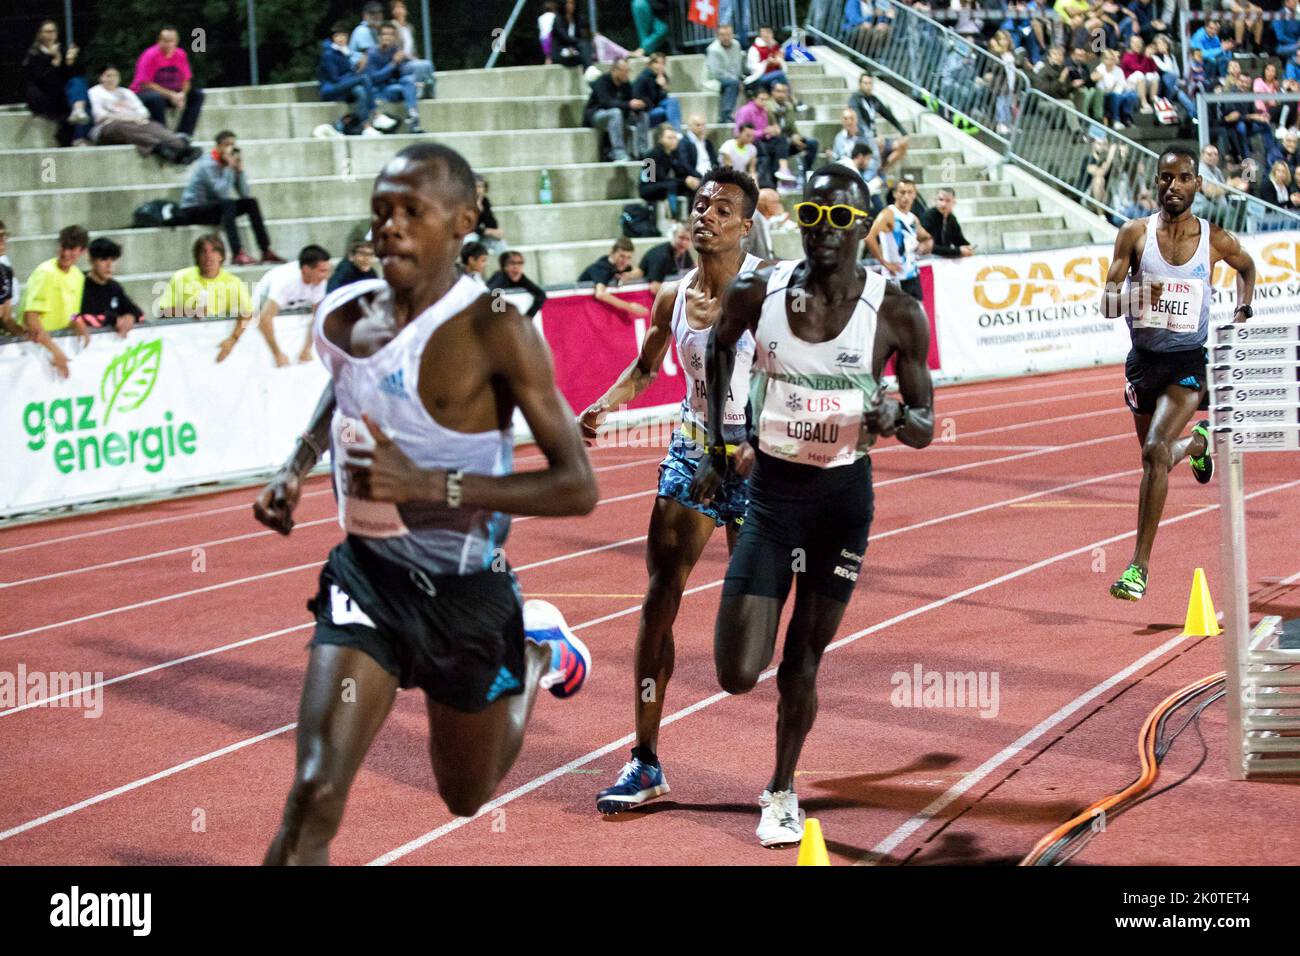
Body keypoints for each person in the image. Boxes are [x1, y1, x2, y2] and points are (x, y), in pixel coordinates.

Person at [255, 143, 597, 864]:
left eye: (414, 211)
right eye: (383, 212)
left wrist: (431, 486)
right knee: (314, 792)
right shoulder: (345, 313)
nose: (392, 227)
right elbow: (346, 385)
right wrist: (297, 464)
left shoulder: (497, 327)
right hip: (367, 580)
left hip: (466, 594)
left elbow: (577, 486)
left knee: (464, 796)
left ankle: (537, 656)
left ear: (465, 220)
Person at [688, 165, 934, 846]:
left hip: (841, 508)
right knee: (737, 672)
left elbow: (924, 424)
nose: (823, 231)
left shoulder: (895, 312)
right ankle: (779, 769)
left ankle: (781, 789)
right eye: (812, 216)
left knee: (802, 660)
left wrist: (894, 414)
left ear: (863, 225)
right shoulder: (758, 292)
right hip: (771, 499)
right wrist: (717, 446)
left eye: (840, 218)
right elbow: (715, 347)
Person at [580, 167, 765, 814]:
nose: (706, 213)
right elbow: (645, 368)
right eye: (699, 204)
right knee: (659, 598)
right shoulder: (670, 295)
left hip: (755, 452)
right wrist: (602, 407)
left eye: (722, 207)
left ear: (747, 224)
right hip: (692, 445)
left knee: (748, 637)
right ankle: (645, 760)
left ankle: (779, 778)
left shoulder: (768, 294)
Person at [1100, 146, 1256, 601]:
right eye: (1165, 178)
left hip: (1188, 363)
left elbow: (1246, 266)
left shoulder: (1214, 239)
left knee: (1153, 453)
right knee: (1159, 458)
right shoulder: (1133, 235)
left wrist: (1243, 308)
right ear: (1156, 182)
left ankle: (1138, 568)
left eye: (1183, 178)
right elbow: (1107, 305)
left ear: (1197, 184)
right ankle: (1200, 443)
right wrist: (1137, 297)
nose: (1173, 186)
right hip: (1142, 363)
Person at [177, 131, 285, 266]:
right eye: (227, 145)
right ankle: (237, 253)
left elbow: (245, 193)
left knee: (250, 203)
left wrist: (239, 171)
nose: (231, 148)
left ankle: (265, 250)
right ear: (218, 146)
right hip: (193, 209)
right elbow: (221, 193)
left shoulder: (229, 165)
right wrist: (229, 167)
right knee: (228, 204)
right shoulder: (207, 164)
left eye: (233, 145)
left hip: (215, 208)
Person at [218, 245, 332, 366]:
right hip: (261, 307)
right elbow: (263, 319)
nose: (326, 276)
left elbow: (319, 317)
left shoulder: (320, 281)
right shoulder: (285, 280)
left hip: (289, 308)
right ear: (306, 269)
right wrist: (277, 353)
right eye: (322, 271)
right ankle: (232, 340)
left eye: (327, 270)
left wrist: (307, 349)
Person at [87, 65, 199, 163]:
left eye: (115, 76)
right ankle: (159, 147)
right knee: (123, 128)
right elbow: (99, 115)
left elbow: (143, 112)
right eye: (108, 76)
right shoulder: (95, 92)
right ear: (101, 77)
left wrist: (135, 118)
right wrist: (128, 118)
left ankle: (182, 148)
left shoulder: (126, 92)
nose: (112, 79)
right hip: (108, 126)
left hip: (136, 122)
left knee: (155, 126)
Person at [19, 225, 89, 379]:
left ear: (82, 251)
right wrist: (55, 351)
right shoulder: (45, 273)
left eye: (72, 249)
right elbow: (31, 319)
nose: (65, 253)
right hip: (34, 350)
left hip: (54, 347)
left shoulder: (78, 276)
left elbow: (72, 314)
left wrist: (78, 323)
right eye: (63, 246)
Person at [22, 19, 90, 147]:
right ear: (40, 34)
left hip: (60, 92)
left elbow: (70, 76)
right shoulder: (34, 55)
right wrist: (54, 61)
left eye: (53, 31)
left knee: (79, 83)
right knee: (75, 106)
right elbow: (44, 80)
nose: (50, 35)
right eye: (47, 32)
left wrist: (70, 61)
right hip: (44, 96)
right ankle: (78, 137)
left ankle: (78, 114)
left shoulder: (60, 50)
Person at [157, 233, 254, 322]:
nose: (209, 256)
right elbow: (163, 311)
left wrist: (233, 337)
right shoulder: (180, 277)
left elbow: (248, 313)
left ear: (221, 256)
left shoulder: (233, 282)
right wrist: (191, 312)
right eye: (203, 251)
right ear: (197, 256)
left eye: (214, 251)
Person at [130, 25, 204, 138]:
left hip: (172, 94)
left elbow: (187, 80)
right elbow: (145, 83)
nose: (168, 44)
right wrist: (171, 95)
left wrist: (182, 95)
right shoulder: (149, 55)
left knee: (197, 95)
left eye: (171, 41)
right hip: (144, 93)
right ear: (159, 41)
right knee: (155, 98)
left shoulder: (180, 54)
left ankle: (184, 133)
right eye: (165, 41)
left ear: (176, 41)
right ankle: (163, 134)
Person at [318, 22, 390, 137]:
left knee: (360, 91)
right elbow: (335, 78)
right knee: (363, 78)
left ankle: (366, 127)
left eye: (344, 36)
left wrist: (357, 68)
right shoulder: (328, 54)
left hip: (343, 88)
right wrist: (354, 75)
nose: (341, 39)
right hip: (330, 89)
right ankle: (376, 114)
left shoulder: (345, 52)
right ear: (333, 38)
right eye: (338, 36)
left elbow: (348, 75)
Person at [865, 177, 932, 300]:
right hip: (895, 279)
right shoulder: (888, 213)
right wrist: (885, 263)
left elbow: (926, 237)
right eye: (902, 192)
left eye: (910, 192)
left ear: (915, 195)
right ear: (895, 194)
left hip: (912, 276)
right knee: (897, 318)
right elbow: (869, 237)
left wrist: (927, 244)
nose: (906, 196)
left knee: (917, 316)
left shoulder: (912, 218)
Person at [351, 1, 436, 98]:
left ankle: (427, 93)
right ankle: (417, 93)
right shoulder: (363, 30)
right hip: (366, 72)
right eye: (373, 13)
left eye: (379, 13)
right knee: (421, 65)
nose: (377, 16)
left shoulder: (376, 30)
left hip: (388, 66)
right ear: (365, 15)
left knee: (426, 65)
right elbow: (368, 55)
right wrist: (395, 60)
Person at [362, 21, 425, 134]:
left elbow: (401, 74)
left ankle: (412, 114)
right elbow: (374, 78)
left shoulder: (394, 50)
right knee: (403, 87)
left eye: (391, 35)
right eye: (385, 34)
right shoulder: (372, 53)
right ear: (379, 37)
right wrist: (393, 63)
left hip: (397, 85)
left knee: (409, 79)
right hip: (382, 90)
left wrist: (403, 61)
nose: (388, 37)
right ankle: (413, 117)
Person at [77, 237, 143, 337]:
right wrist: (114, 320)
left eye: (113, 259)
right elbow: (79, 317)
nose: (109, 265)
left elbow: (136, 311)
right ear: (91, 261)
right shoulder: (79, 283)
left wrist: (131, 316)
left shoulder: (114, 287)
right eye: (103, 259)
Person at [847, 74, 908, 176]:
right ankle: (874, 171)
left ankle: (883, 170)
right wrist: (871, 137)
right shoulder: (855, 99)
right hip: (861, 137)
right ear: (860, 84)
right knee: (878, 143)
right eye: (865, 83)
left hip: (873, 137)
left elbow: (888, 115)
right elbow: (859, 121)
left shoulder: (873, 100)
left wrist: (903, 131)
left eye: (870, 83)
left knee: (902, 145)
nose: (868, 86)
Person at [584, 57, 642, 162]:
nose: (626, 74)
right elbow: (606, 102)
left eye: (628, 71)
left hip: (618, 115)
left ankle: (642, 151)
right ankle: (618, 152)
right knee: (615, 113)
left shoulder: (626, 84)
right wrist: (628, 104)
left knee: (642, 115)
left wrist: (638, 105)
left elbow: (631, 100)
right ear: (614, 70)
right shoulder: (602, 81)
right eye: (624, 71)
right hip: (597, 115)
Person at [639, 126, 697, 220]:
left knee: (691, 186)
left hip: (663, 185)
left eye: (675, 138)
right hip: (648, 187)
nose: (673, 141)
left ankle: (692, 218)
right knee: (672, 185)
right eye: (670, 138)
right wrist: (684, 181)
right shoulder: (651, 156)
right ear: (660, 139)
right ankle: (673, 219)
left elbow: (681, 172)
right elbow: (659, 178)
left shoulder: (674, 153)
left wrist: (690, 179)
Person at [578, 237, 646, 316]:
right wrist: (629, 307)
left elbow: (639, 272)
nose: (625, 261)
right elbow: (600, 294)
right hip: (583, 308)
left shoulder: (620, 265)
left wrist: (629, 275)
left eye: (629, 257)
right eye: (622, 256)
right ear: (611, 252)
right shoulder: (601, 268)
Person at [632, 52, 682, 156]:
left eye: (663, 63)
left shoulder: (662, 77)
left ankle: (676, 133)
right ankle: (673, 135)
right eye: (657, 63)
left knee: (672, 101)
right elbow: (641, 100)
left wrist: (663, 87)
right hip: (644, 115)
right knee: (666, 109)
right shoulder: (642, 78)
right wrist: (657, 87)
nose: (660, 66)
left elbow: (662, 99)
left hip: (657, 110)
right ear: (650, 64)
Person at [388, 0, 437, 97]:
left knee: (427, 64)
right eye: (396, 8)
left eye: (401, 7)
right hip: (400, 63)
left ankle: (429, 92)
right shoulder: (392, 26)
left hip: (411, 60)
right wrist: (410, 57)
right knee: (423, 65)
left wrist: (414, 58)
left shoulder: (409, 27)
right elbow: (395, 48)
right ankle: (418, 91)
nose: (399, 10)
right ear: (393, 11)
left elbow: (412, 49)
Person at [638, 223, 695, 296]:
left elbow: (691, 269)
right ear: (673, 236)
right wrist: (682, 294)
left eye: (688, 239)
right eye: (681, 238)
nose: (684, 242)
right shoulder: (661, 255)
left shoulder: (684, 252)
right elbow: (654, 287)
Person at [705, 24, 746, 124]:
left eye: (728, 34)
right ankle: (725, 115)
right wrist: (737, 80)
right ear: (718, 36)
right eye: (723, 35)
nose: (726, 37)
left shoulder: (736, 45)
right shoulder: (713, 49)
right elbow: (717, 72)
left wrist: (741, 78)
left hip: (735, 77)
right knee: (733, 84)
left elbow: (738, 65)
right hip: (717, 78)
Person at [487, 250, 546, 317]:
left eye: (520, 263)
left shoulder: (521, 278)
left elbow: (541, 294)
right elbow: (487, 295)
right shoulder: (501, 277)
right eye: (512, 263)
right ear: (504, 266)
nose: (516, 267)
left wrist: (528, 318)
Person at [920, 187, 975, 257]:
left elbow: (959, 240)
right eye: (941, 200)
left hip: (943, 259)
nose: (943, 204)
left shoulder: (951, 218)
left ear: (954, 202)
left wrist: (968, 248)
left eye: (948, 201)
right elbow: (930, 247)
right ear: (935, 200)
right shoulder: (928, 217)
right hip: (928, 258)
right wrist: (958, 251)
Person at [745, 24, 790, 92]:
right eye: (764, 32)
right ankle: (793, 100)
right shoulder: (754, 48)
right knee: (780, 75)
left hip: (774, 77)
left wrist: (780, 61)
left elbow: (783, 66)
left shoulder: (777, 47)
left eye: (768, 32)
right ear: (760, 34)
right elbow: (751, 67)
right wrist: (767, 63)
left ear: (772, 34)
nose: (766, 35)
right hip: (759, 77)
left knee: (777, 83)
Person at [467, 175, 505, 256]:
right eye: (475, 187)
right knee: (471, 239)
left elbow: (492, 225)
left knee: (500, 242)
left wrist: (482, 209)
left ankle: (503, 267)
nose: (478, 190)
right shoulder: (464, 202)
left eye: (480, 186)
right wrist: (486, 231)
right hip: (466, 236)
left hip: (479, 234)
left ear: (485, 189)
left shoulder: (485, 201)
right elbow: (466, 226)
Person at [551, 0, 594, 70]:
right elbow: (565, 37)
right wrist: (580, 43)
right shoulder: (558, 19)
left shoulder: (578, 19)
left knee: (585, 52)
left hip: (575, 52)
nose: (570, 6)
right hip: (561, 52)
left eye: (572, 3)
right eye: (567, 3)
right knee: (583, 45)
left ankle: (589, 70)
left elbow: (583, 35)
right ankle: (590, 70)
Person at [0, 223, 17, 338]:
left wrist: (23, 334)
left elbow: (6, 318)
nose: (2, 241)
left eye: (4, 236)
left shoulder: (6, 271)